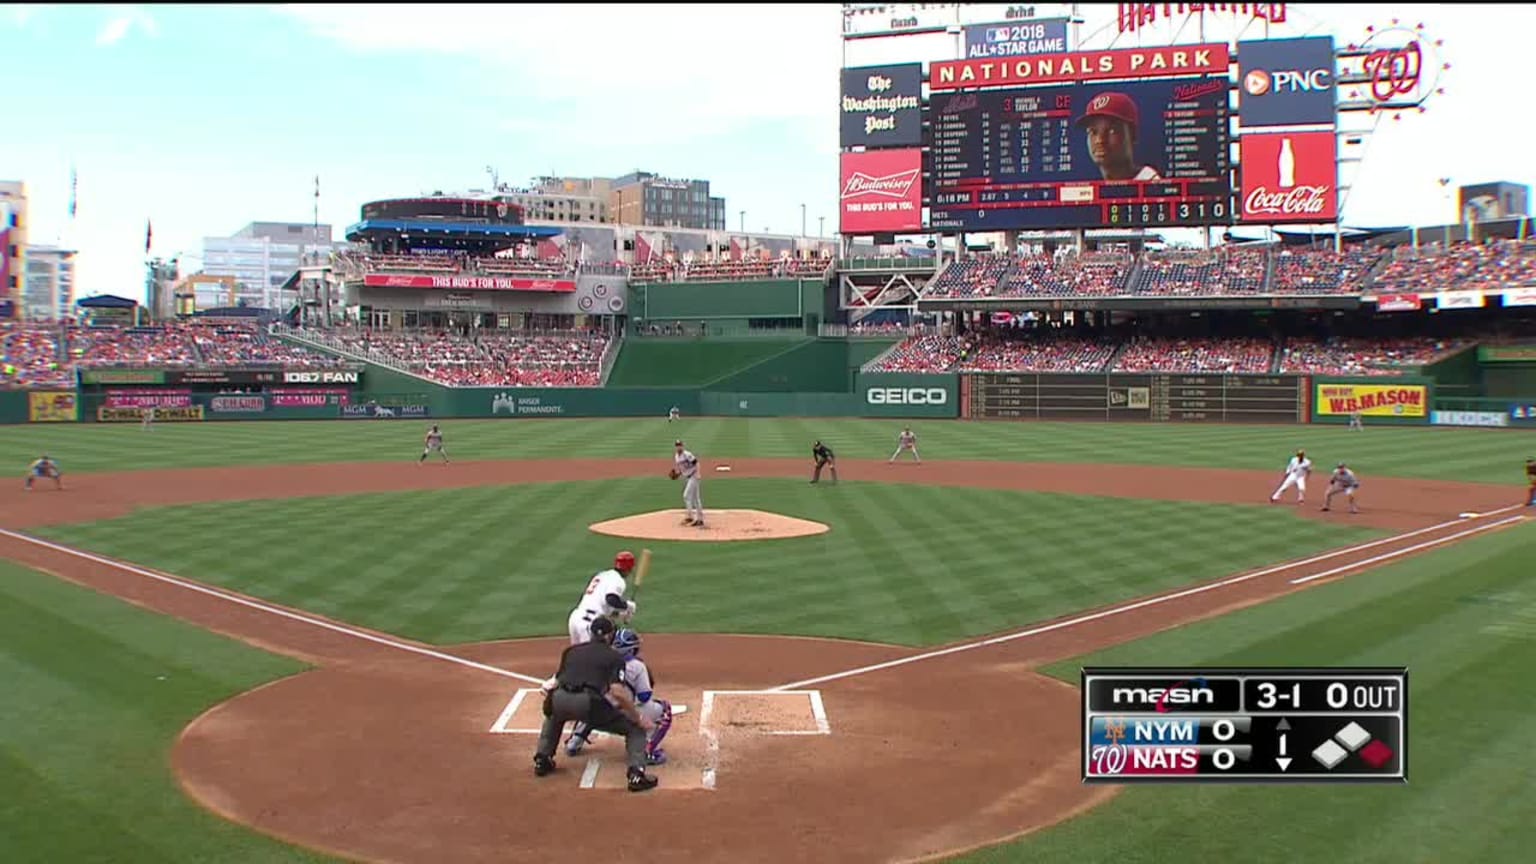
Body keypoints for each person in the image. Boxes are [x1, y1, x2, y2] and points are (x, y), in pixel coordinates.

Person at [533, 617, 659, 793]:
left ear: (591, 633)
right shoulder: (614, 657)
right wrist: (637, 717)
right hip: (587, 703)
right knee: (635, 729)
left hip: (560, 698)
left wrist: (550, 704)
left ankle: (542, 759)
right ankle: (636, 774)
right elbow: (617, 692)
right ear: (609, 636)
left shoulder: (571, 651)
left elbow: (557, 682)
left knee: (553, 716)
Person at [565, 551, 639, 755]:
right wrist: (627, 606)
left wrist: (622, 612)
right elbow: (611, 599)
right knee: (594, 673)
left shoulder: (603, 575)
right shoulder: (618, 582)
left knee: (578, 664)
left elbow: (604, 606)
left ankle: (567, 695)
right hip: (588, 625)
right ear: (630, 569)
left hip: (576, 618)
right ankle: (578, 731)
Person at [612, 628, 673, 766]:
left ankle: (575, 740)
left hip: (603, 714)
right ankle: (647, 751)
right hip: (627, 713)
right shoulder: (637, 666)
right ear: (631, 649)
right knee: (665, 710)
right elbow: (644, 696)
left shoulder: (604, 662)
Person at [1076, 92, 1164, 182]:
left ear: (1133, 135)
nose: (1100, 140)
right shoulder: (1096, 188)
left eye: (1112, 131)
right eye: (1093, 132)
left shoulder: (1153, 186)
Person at [673, 440, 704, 527]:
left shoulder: (687, 454)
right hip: (688, 477)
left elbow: (696, 463)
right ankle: (699, 519)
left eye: (680, 445)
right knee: (696, 498)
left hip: (694, 476)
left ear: (682, 446)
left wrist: (698, 473)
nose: (679, 447)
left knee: (686, 495)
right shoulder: (676, 456)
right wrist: (677, 474)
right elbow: (682, 469)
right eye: (677, 445)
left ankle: (690, 517)